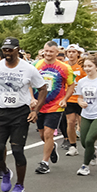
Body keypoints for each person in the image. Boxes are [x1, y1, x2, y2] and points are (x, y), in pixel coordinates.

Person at [0, 38, 45, 192]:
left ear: (17, 50)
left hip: (19, 114)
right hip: (0, 112)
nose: (7, 52)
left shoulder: (28, 68)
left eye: (10, 49)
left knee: (17, 150)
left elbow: (42, 88)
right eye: (5, 49)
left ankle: (20, 185)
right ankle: (5, 171)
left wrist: (36, 111)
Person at [33, 42, 75, 175]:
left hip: (55, 105)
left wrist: (64, 99)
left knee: (48, 133)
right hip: (39, 105)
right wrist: (31, 98)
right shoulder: (35, 65)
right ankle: (52, 147)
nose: (48, 53)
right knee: (42, 134)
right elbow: (28, 82)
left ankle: (44, 163)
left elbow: (71, 85)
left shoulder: (65, 67)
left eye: (51, 51)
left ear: (57, 53)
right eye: (46, 51)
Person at [62, 45, 86, 156]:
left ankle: (87, 145)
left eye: (73, 52)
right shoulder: (64, 65)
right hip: (69, 98)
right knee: (70, 122)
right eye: (69, 52)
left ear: (78, 53)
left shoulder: (82, 66)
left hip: (81, 98)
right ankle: (72, 146)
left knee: (83, 124)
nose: (71, 54)